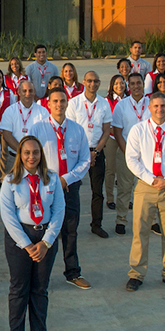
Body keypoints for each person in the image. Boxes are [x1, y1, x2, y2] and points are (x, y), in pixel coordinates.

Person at [124, 93, 165, 292]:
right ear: (150, 108)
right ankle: (136, 273)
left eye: (163, 106)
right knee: (140, 231)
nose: (159, 110)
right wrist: (151, 179)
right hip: (146, 186)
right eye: (156, 106)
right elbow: (131, 159)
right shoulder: (138, 130)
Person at [0, 136, 65, 331]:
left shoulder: (52, 178)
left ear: (41, 154)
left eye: (35, 152)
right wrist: (27, 245)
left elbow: (58, 210)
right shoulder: (10, 181)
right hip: (20, 239)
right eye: (27, 152)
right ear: (20, 155)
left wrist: (46, 242)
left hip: (45, 237)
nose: (31, 157)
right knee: (19, 289)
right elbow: (8, 216)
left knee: (40, 288)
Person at [28, 89, 91, 290]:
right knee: (44, 231)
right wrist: (50, 180)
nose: (59, 105)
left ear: (67, 103)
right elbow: (30, 158)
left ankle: (72, 272)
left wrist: (67, 179)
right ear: (48, 104)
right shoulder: (38, 129)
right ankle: (39, 276)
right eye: (55, 101)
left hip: (70, 188)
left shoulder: (77, 130)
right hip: (45, 188)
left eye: (62, 101)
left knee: (70, 230)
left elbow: (84, 160)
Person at [65, 72, 112, 238]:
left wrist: (96, 151)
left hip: (97, 151)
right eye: (89, 81)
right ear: (83, 82)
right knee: (71, 191)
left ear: (99, 84)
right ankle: (69, 226)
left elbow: (106, 131)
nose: (93, 84)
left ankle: (96, 224)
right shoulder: (74, 103)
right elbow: (69, 129)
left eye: (96, 81)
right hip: (77, 153)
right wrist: (85, 153)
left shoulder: (104, 104)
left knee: (97, 191)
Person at [110, 73, 151, 235]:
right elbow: (118, 132)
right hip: (126, 152)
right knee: (124, 188)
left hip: (148, 155)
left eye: (139, 83)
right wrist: (128, 152)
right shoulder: (122, 105)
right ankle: (121, 220)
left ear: (143, 84)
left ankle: (151, 220)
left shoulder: (151, 103)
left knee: (148, 189)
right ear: (129, 86)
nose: (136, 86)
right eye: (132, 83)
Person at [0, 81, 49, 179]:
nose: (27, 94)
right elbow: (7, 135)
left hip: (36, 159)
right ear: (19, 92)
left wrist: (31, 154)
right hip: (14, 158)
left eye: (30, 91)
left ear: (34, 92)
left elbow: (46, 135)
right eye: (24, 91)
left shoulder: (43, 112)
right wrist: (23, 152)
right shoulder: (10, 111)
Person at [103, 74, 128, 212]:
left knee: (125, 171)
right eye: (116, 83)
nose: (120, 86)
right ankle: (110, 198)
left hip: (126, 138)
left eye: (122, 83)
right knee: (111, 170)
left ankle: (125, 198)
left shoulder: (129, 100)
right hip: (112, 139)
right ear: (112, 86)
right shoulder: (107, 101)